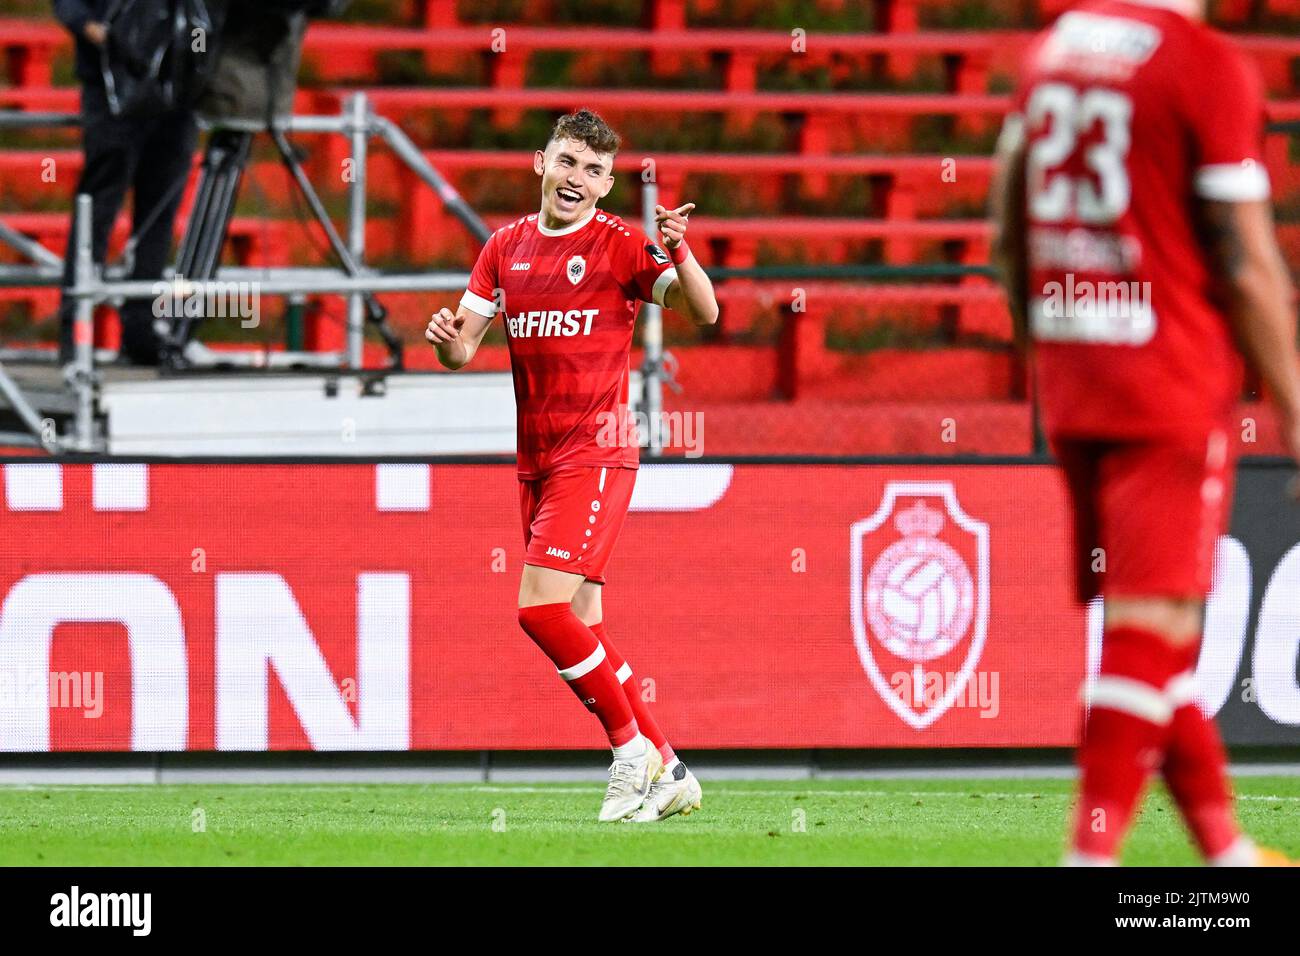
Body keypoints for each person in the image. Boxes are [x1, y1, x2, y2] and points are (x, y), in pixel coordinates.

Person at [993, 0, 1299, 866]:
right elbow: (1244, 259)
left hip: (1076, 373)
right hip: (1167, 381)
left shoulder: (1052, 52)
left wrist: (1044, 340)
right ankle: (1090, 857)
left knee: (1153, 638)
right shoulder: (1204, 64)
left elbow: (1007, 219)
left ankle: (1225, 849)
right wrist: (1294, 404)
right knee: (1146, 625)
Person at [426, 109, 719, 822]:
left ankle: (627, 753)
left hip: (598, 451)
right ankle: (670, 768)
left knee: (539, 607)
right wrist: (443, 342)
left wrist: (680, 253)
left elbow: (705, 311)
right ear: (541, 164)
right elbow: (461, 348)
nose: (576, 178)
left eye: (592, 170)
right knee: (581, 616)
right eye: (566, 163)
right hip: (538, 460)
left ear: (608, 183)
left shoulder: (619, 246)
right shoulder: (503, 248)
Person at [53, 0, 199, 366]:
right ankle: (76, 331)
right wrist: (93, 30)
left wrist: (198, 51)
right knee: (96, 212)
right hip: (111, 85)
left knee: (159, 215)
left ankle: (141, 330)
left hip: (177, 90)